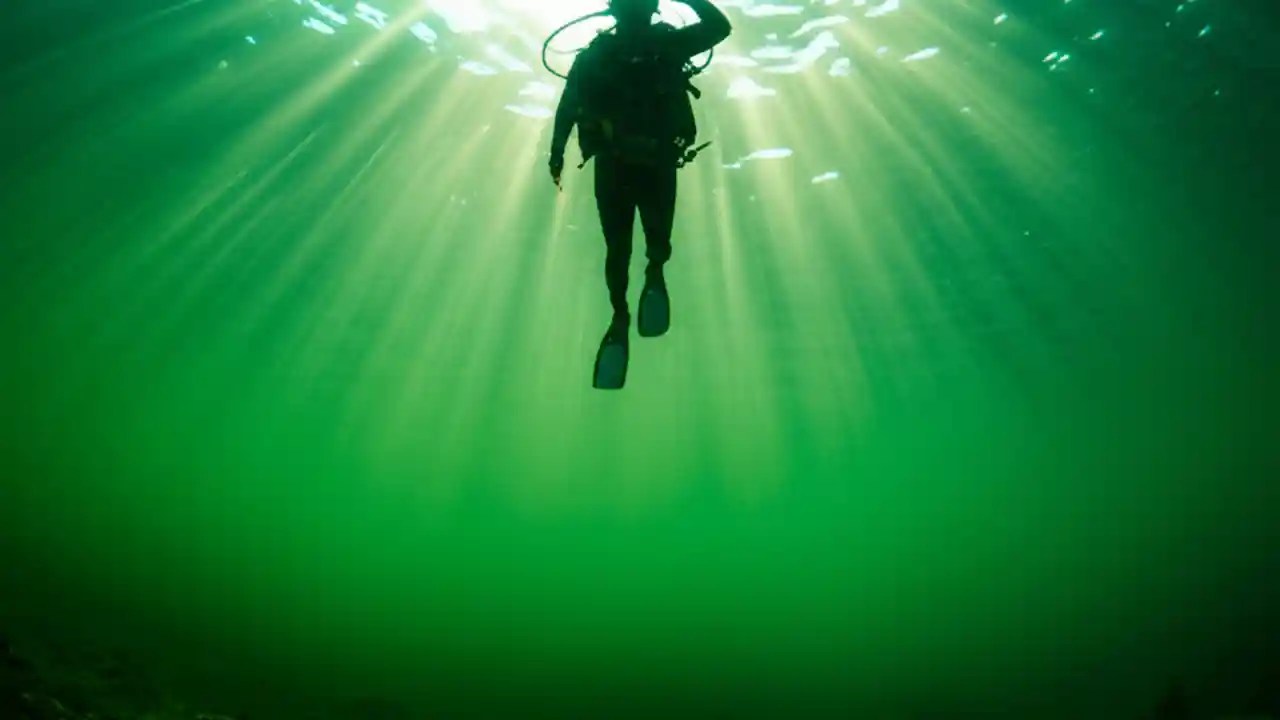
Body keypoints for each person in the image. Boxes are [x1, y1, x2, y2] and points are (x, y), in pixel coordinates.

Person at [548, 0, 731, 387]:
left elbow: (567, 106)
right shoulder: (667, 45)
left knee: (624, 247)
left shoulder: (600, 54)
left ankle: (624, 309)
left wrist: (557, 152)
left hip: (621, 165)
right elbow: (719, 26)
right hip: (651, 162)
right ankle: (646, 281)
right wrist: (556, 151)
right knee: (645, 242)